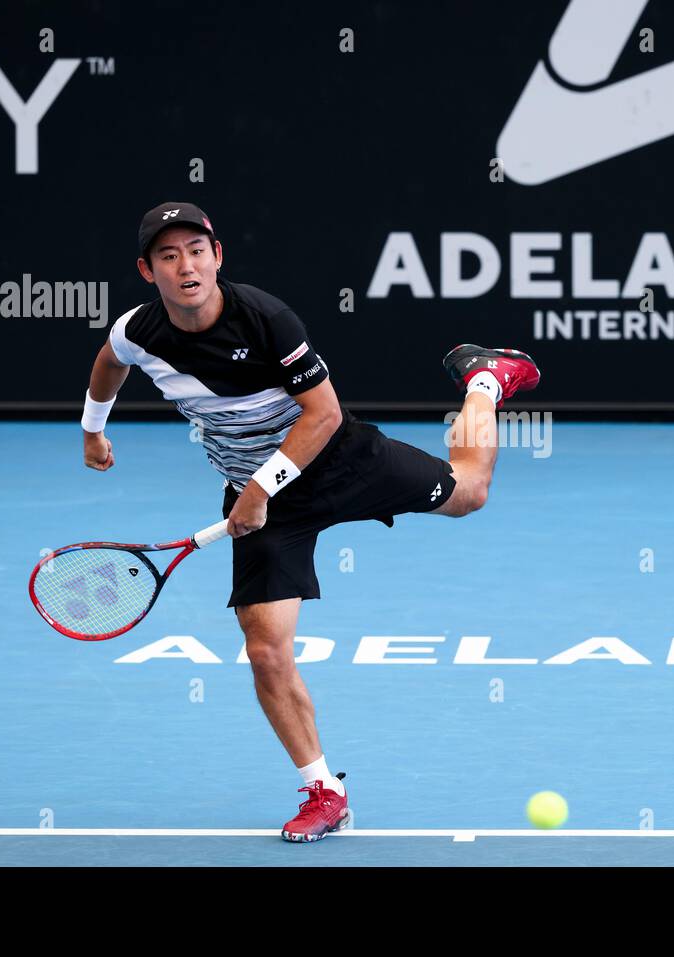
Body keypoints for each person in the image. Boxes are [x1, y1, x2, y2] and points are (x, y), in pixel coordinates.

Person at [80, 201, 540, 842]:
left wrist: (261, 487)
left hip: (337, 461)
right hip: (262, 501)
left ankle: (485, 381)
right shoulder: (139, 330)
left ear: (217, 257)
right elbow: (109, 360)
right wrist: (93, 431)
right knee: (265, 652)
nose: (184, 265)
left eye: (195, 250)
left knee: (470, 491)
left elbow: (321, 414)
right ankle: (325, 791)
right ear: (146, 269)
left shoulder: (267, 318)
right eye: (167, 255)